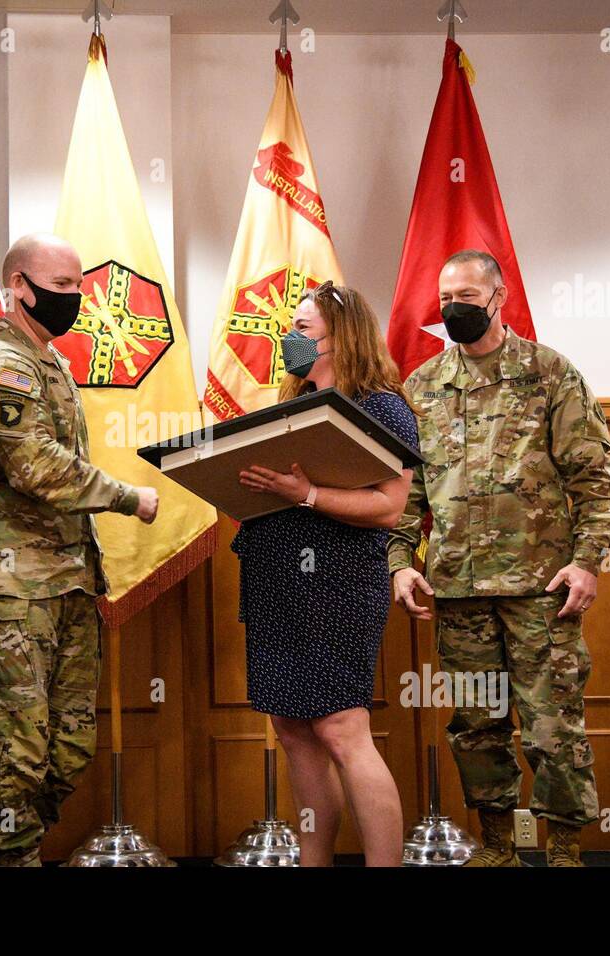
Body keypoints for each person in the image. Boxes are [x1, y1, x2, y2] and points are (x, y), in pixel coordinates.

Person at [388, 249, 610, 867]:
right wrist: (400, 561)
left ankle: (566, 851)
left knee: (553, 726)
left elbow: (595, 481)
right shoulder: (422, 387)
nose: (453, 308)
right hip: (459, 591)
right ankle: (497, 848)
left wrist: (588, 562)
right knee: (475, 725)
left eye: (467, 296)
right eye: (445, 298)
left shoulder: (549, 374)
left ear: (499, 298)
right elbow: (404, 494)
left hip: (542, 589)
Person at [0, 232, 159, 866]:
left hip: (64, 579)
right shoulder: (1, 366)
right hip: (8, 586)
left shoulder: (50, 363)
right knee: (17, 746)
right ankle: (12, 858)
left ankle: (15, 851)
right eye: (60, 286)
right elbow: (35, 466)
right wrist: (127, 497)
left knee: (69, 745)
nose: (74, 297)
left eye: (77, 285)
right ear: (19, 287)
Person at [232, 280, 420, 867]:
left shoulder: (382, 406)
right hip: (274, 581)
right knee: (292, 730)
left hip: (337, 585)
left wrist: (308, 493)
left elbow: (390, 507)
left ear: (342, 336)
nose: (291, 336)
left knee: (341, 728)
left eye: (305, 328)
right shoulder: (290, 407)